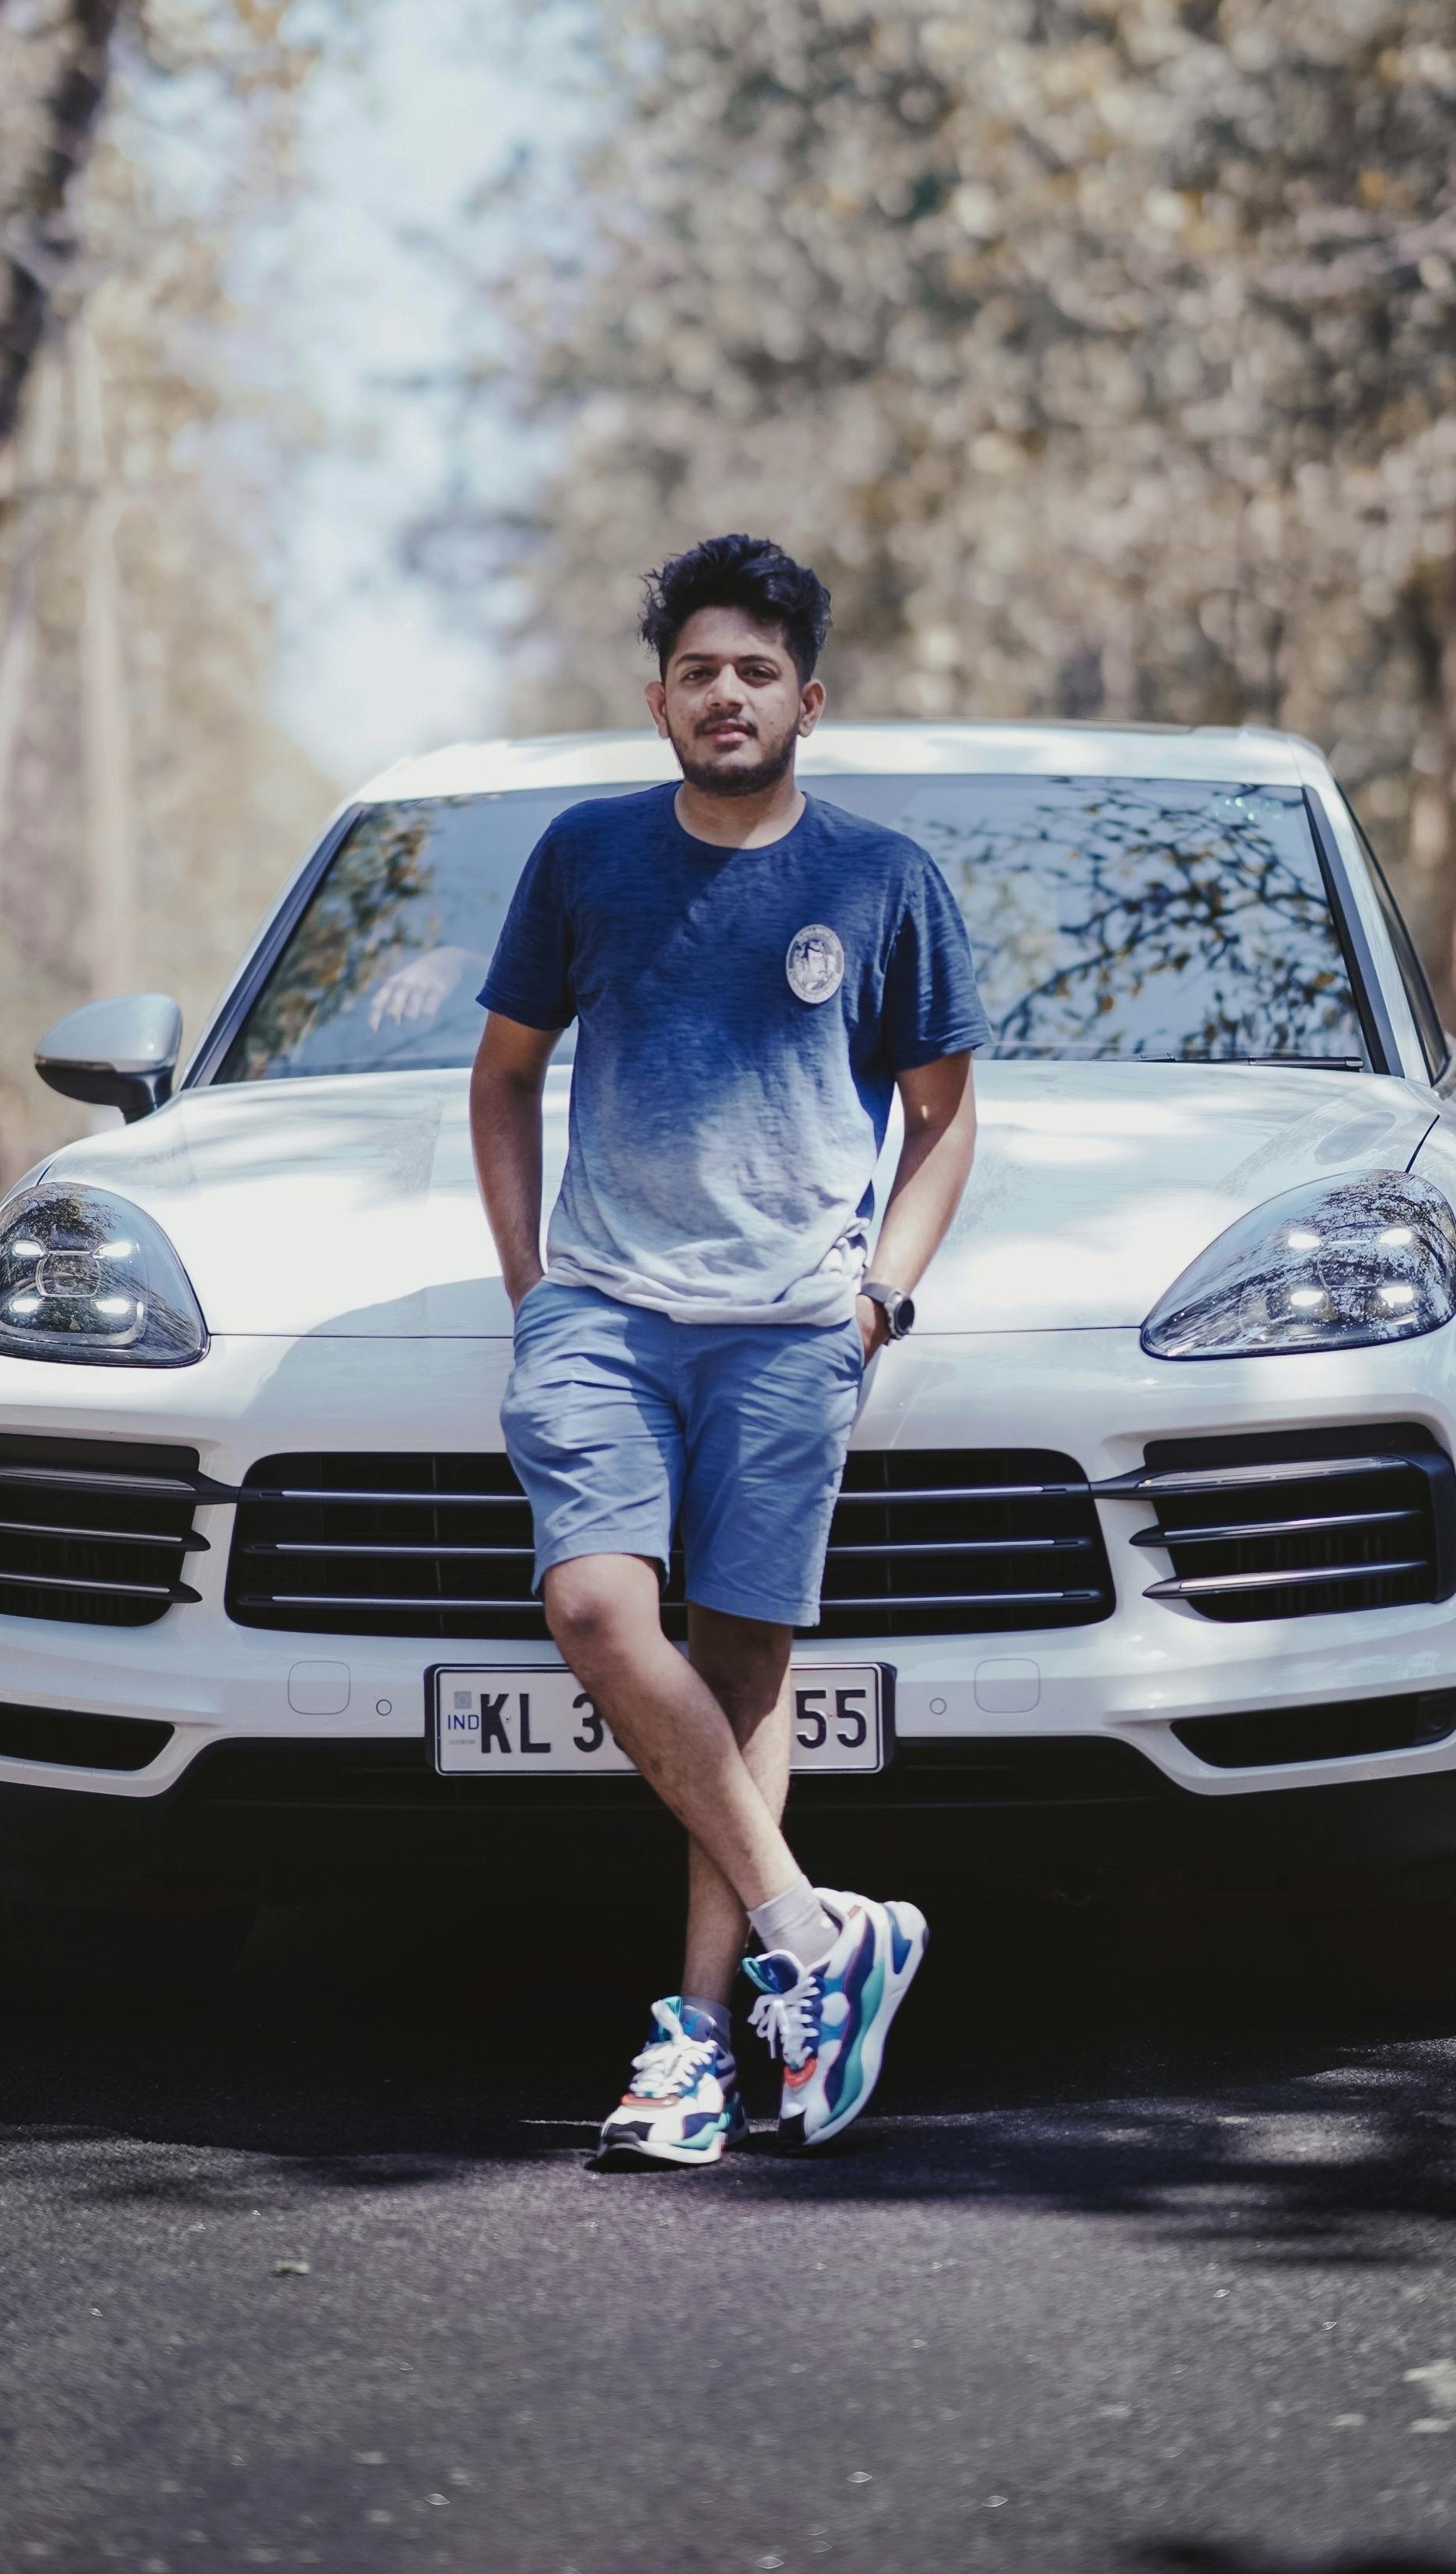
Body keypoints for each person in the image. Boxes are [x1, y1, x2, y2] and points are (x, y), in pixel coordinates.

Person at [468, 532, 987, 2165]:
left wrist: (876, 1296)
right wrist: (534, 1283)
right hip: (609, 1317)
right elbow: (499, 1080)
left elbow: (946, 1120)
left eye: (756, 668)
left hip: (787, 1332)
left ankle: (691, 2046)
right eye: (700, 668)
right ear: (660, 697)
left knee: (746, 1672)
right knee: (598, 1606)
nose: (726, 691)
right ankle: (824, 1937)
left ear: (807, 698)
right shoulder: (585, 858)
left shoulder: (883, 881)